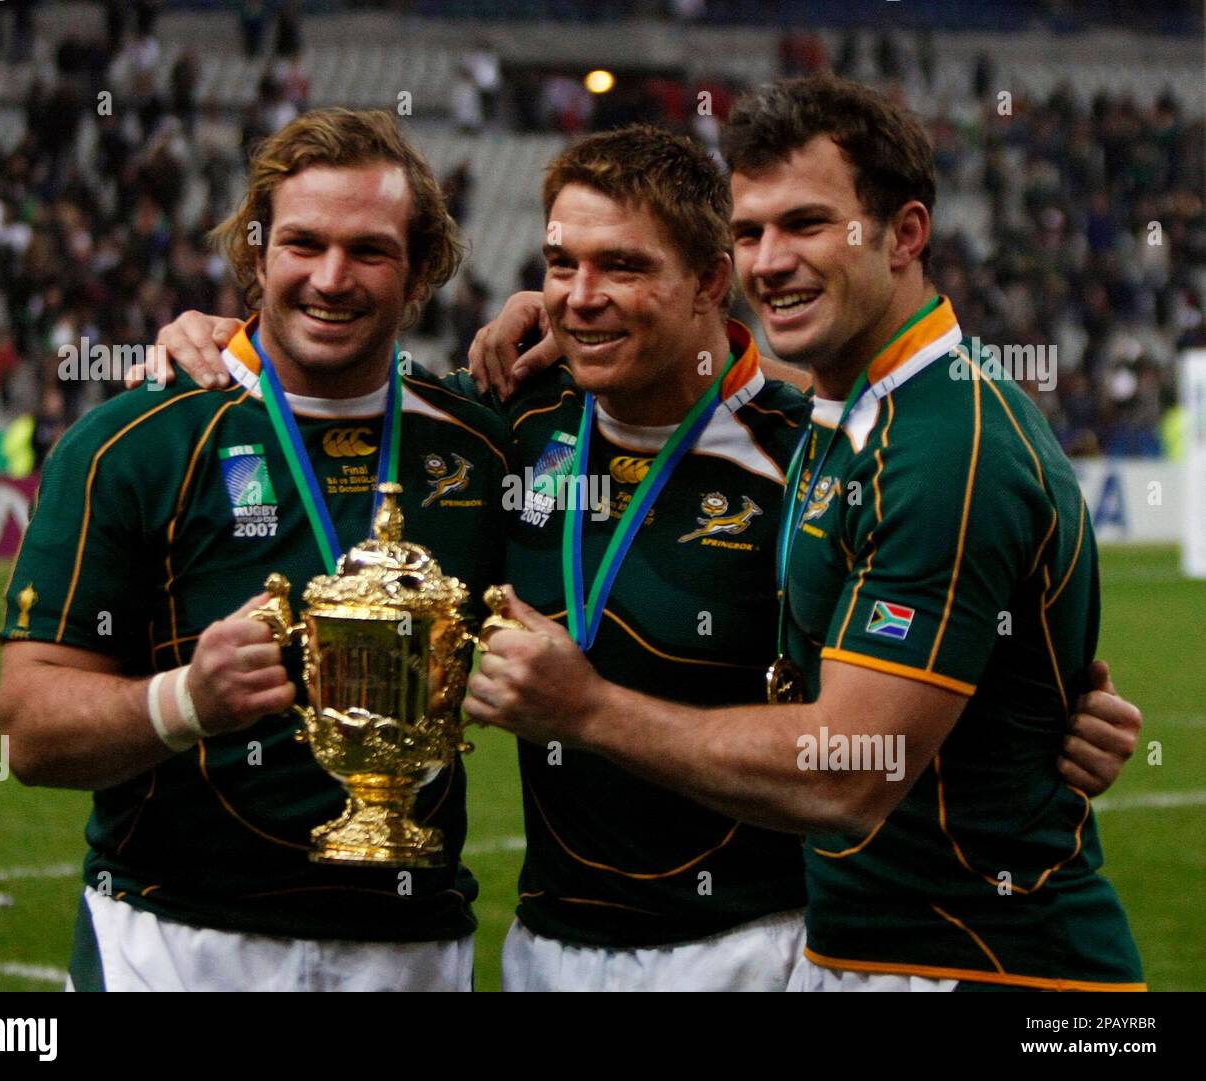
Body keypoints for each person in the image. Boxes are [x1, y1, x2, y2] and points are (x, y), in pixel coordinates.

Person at [148, 119, 1142, 992]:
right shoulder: (507, 424)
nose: (581, 298)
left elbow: (924, 670)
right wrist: (217, 345)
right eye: (560, 266)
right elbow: (336, 398)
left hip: (763, 943)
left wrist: (1048, 719)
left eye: (622, 268)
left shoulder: (807, 450)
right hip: (545, 943)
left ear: (711, 282)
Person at [463, 77, 1146, 991]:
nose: (770, 260)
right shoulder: (848, 412)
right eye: (751, 233)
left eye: (808, 225)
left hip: (980, 963)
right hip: (868, 952)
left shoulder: (942, 446)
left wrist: (586, 711)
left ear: (906, 234)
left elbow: (848, 772)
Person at [0, 108, 510, 991]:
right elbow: (31, 730)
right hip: (176, 944)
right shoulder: (135, 441)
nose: (330, 278)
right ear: (256, 256)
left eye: (370, 250)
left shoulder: (480, 444)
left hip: (410, 944)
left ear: (422, 270)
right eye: (302, 244)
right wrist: (184, 699)